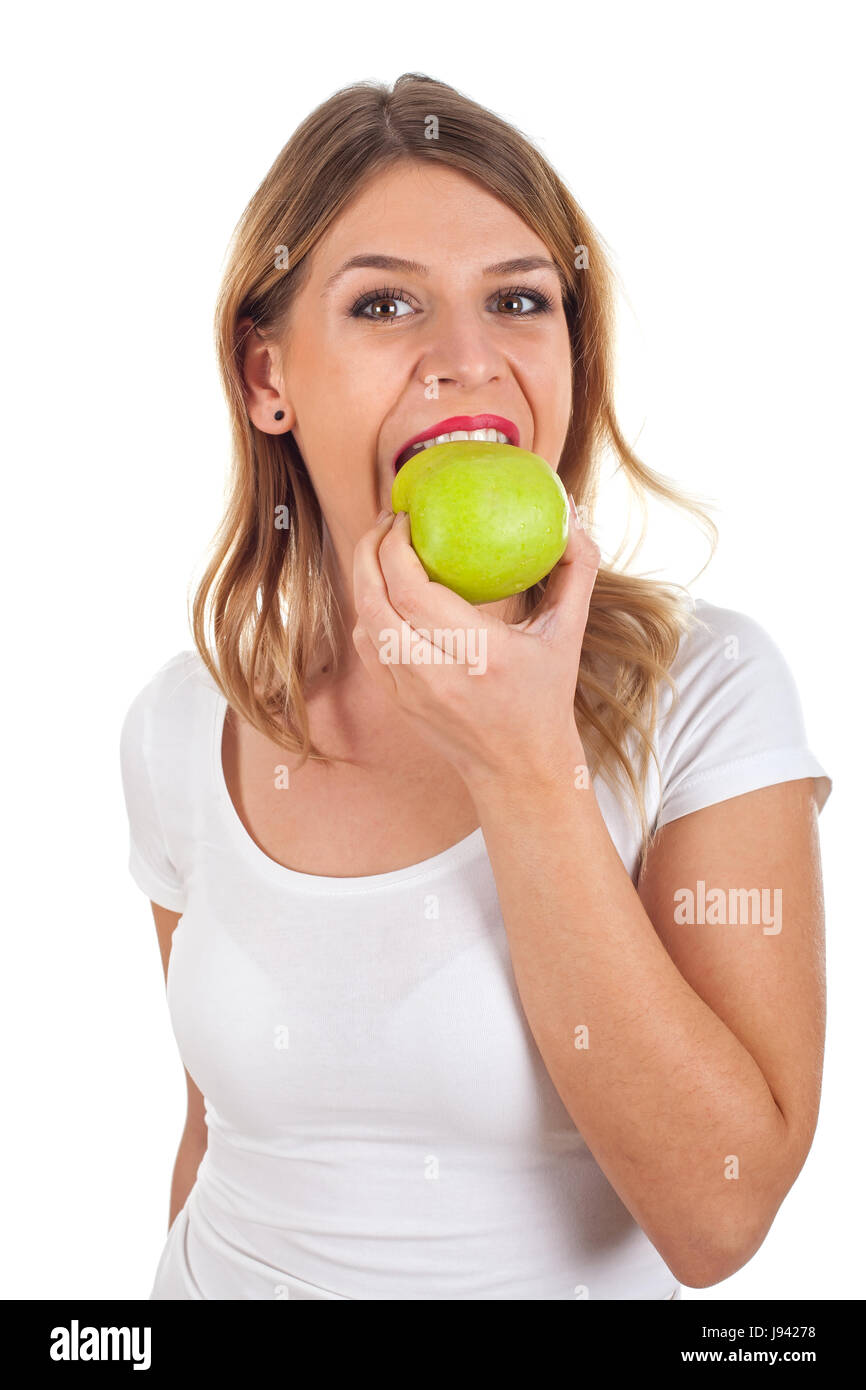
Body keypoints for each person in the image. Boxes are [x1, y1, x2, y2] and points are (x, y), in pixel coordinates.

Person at [119, 74, 831, 1301]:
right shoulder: (185, 724)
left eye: (517, 299)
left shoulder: (709, 691)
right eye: (385, 303)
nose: (467, 359)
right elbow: (220, 1136)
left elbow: (717, 1216)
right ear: (264, 380)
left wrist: (520, 762)